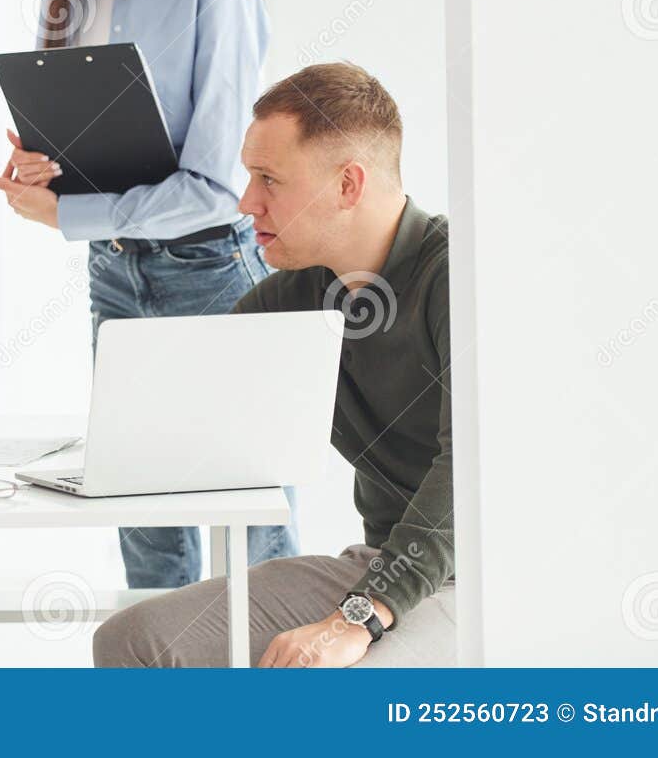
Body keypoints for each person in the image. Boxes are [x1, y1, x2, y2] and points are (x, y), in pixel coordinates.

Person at [0, 0, 296, 589]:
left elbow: (215, 184)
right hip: (117, 274)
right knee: (148, 523)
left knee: (250, 526)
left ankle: (283, 711)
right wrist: (44, 173)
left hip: (212, 273)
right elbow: (103, 152)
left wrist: (70, 217)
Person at [94, 62, 455, 668]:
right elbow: (178, 404)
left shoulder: (456, 274)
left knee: (317, 683)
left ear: (348, 185)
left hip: (487, 575)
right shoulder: (299, 292)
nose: (245, 201)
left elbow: (472, 474)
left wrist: (355, 621)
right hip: (383, 569)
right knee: (134, 642)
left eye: (268, 179)